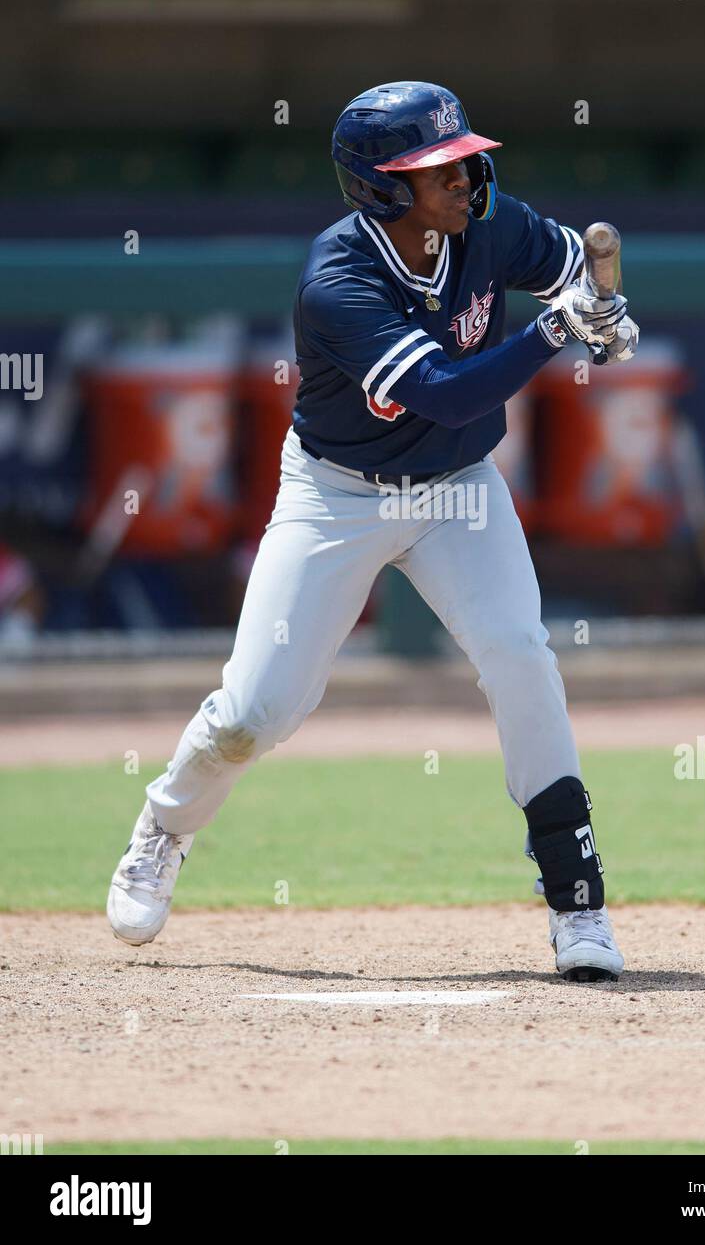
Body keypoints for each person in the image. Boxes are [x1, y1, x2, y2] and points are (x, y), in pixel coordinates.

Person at [107, 82, 638, 981]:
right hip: (336, 495)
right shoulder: (338, 283)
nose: (467, 178)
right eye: (438, 170)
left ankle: (578, 905)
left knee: (520, 655)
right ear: (383, 190)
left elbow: (572, 267)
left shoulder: (490, 222)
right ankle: (164, 825)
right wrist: (557, 329)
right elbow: (445, 391)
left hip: (460, 488)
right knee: (256, 712)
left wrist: (605, 311)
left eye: (466, 159)